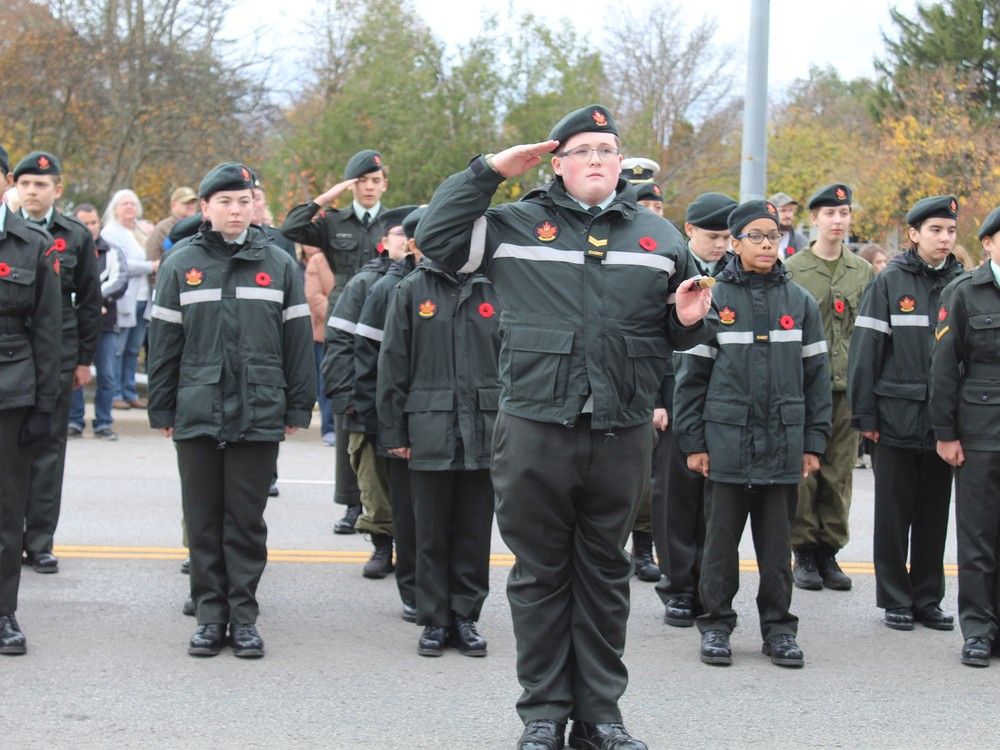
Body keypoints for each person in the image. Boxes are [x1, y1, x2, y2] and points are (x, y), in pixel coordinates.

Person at [415, 104, 716, 750]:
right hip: (534, 426)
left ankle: (601, 715)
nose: (599, 159)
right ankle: (544, 714)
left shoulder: (657, 236)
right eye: (583, 150)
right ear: (557, 163)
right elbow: (437, 242)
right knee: (540, 574)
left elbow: (679, 327)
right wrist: (488, 172)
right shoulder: (515, 225)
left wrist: (690, 321)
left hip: (621, 428)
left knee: (605, 576)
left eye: (608, 148)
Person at [147, 162, 314, 658]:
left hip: (260, 408)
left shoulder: (281, 262)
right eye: (224, 202)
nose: (235, 210)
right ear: (206, 208)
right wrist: (163, 409)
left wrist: (298, 405)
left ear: (254, 205)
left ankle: (243, 617)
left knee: (245, 521)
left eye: (243, 201)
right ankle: (208, 616)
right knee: (202, 520)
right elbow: (164, 343)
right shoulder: (181, 264)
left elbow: (297, 343)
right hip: (197, 406)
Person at [675, 200, 832, 669]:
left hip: (783, 445)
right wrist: (694, 443)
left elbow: (817, 379)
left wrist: (813, 442)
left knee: (776, 547)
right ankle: (717, 626)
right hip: (726, 445)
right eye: (757, 236)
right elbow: (691, 380)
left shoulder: (799, 302)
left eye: (774, 235)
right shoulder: (715, 297)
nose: (767, 244)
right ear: (736, 241)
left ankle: (779, 630)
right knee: (720, 545)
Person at [379, 207, 501, 657]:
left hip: (485, 429)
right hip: (427, 428)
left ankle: (465, 618)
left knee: (473, 532)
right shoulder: (412, 289)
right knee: (429, 532)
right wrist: (394, 431)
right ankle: (433, 620)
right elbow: (393, 364)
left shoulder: (497, 286)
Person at [848, 194, 964, 632]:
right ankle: (895, 598)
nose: (944, 238)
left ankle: (927, 598)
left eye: (950, 231)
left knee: (934, 514)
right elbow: (866, 351)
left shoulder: (962, 284)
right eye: (935, 230)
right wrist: (865, 416)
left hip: (941, 424)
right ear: (914, 235)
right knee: (893, 515)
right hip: (895, 417)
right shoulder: (889, 281)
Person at [13, 152, 102, 574]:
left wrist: (84, 358)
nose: (33, 191)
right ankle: (8, 539)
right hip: (9, 351)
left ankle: (40, 540)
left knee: (49, 449)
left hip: (59, 352)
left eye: (41, 185)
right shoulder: (7, 230)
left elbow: (89, 301)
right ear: (15, 184)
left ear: (57, 190)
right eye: (26, 183)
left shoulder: (75, 236)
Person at [784, 184, 873, 592]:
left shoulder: (862, 271)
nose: (838, 221)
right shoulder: (794, 268)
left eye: (844, 214)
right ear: (815, 219)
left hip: (847, 387)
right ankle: (802, 550)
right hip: (806, 385)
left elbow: (868, 334)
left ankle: (829, 551)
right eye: (830, 214)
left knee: (839, 473)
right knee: (805, 471)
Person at [656, 191, 736, 627]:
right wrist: (652, 397)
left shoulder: (734, 276)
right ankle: (678, 587)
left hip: (720, 398)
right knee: (676, 496)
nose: (722, 245)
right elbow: (647, 335)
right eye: (713, 236)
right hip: (672, 392)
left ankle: (709, 584)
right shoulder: (670, 268)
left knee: (715, 499)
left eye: (727, 237)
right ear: (689, 232)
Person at [930, 206, 1000, 666]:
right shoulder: (964, 292)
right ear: (989, 244)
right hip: (979, 430)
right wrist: (945, 433)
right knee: (977, 538)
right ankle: (978, 629)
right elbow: (943, 368)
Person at [0, 143, 63, 654]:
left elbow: (47, 332)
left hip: (9, 394)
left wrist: (44, 406)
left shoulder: (32, 245)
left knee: (5, 511)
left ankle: (3, 614)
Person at [349, 206, 419, 584]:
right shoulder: (376, 286)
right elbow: (354, 348)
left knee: (414, 503)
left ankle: (415, 568)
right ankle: (381, 544)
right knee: (379, 490)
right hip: (376, 405)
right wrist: (360, 408)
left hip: (419, 412)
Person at [320, 242, 393, 537]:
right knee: (369, 472)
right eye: (399, 234)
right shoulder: (365, 283)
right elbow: (339, 340)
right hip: (367, 395)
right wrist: (344, 394)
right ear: (385, 243)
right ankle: (378, 539)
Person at [280, 149, 392, 307]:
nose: (369, 187)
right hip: (342, 311)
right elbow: (290, 228)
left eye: (376, 181)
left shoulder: (394, 223)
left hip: (382, 309)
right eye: (362, 180)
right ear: (349, 184)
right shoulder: (332, 221)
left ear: (384, 185)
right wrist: (324, 199)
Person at [68, 204, 129, 440]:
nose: (90, 227)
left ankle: (103, 422)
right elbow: (65, 283)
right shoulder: (68, 249)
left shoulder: (113, 251)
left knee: (107, 375)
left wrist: (93, 301)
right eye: (84, 223)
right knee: (75, 373)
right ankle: (75, 420)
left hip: (105, 323)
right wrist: (87, 304)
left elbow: (119, 281)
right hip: (76, 323)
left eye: (93, 222)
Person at [101, 189, 156, 410]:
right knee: (118, 348)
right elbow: (121, 265)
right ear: (115, 208)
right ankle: (114, 393)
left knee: (134, 349)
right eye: (124, 204)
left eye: (133, 204)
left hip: (143, 297)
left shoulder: (139, 232)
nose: (130, 208)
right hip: (124, 298)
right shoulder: (110, 233)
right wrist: (150, 267)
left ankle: (130, 390)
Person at [303, 243, 336, 444]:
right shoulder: (318, 261)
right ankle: (329, 427)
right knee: (326, 381)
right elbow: (314, 297)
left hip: (357, 330)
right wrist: (341, 316)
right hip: (324, 333)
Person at [144, 186, 198, 263]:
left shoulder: (201, 227)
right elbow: (152, 259)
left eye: (193, 202)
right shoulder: (162, 228)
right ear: (173, 205)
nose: (190, 206)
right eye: (186, 202)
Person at [768, 192, 808, 260]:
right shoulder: (761, 240)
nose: (788, 215)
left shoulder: (801, 242)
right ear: (771, 213)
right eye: (783, 210)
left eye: (790, 210)